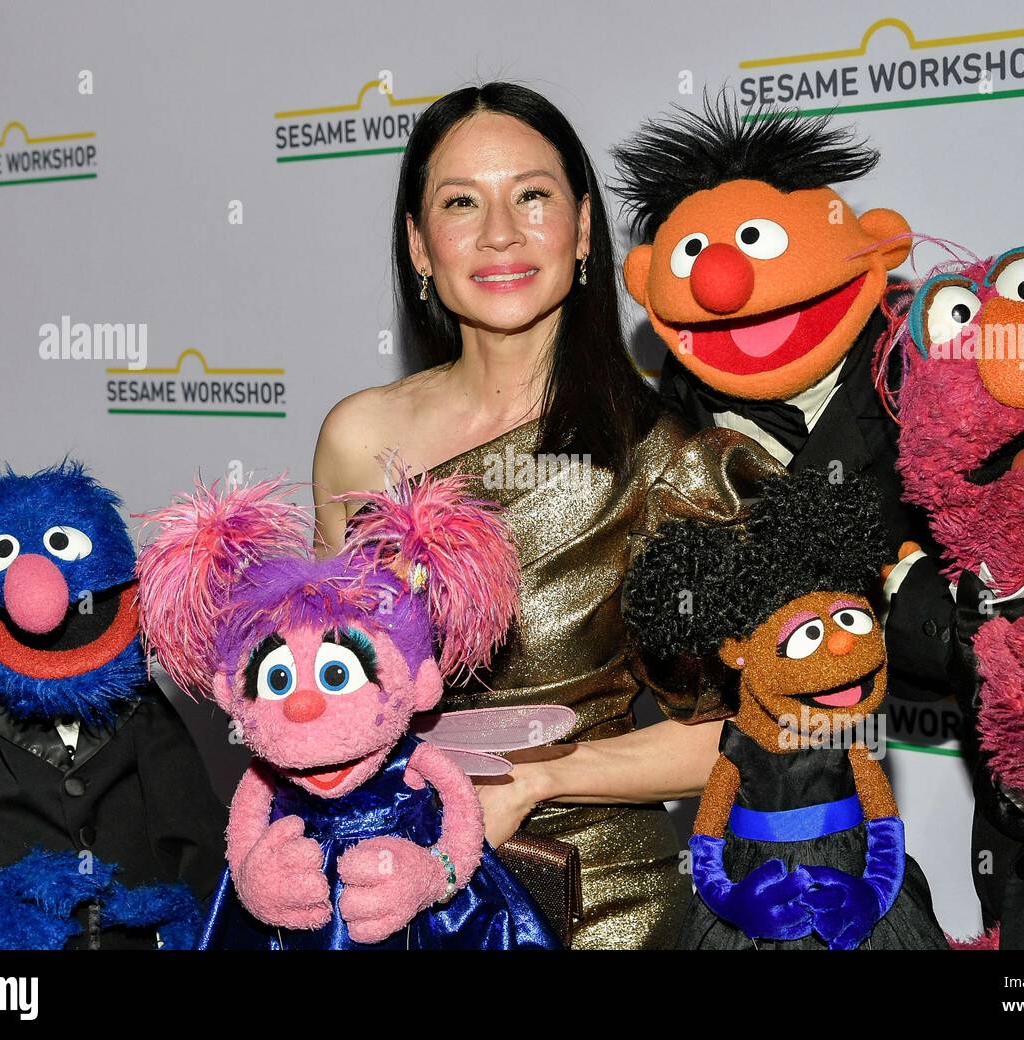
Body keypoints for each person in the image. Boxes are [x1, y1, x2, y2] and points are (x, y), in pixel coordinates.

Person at [310, 81, 780, 949]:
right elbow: (325, 693)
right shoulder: (356, 438)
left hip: (590, 900)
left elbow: (757, 724)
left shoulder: (666, 460)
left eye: (532, 196)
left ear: (585, 228)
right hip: (388, 881)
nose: (500, 233)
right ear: (419, 244)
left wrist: (534, 780)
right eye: (461, 203)